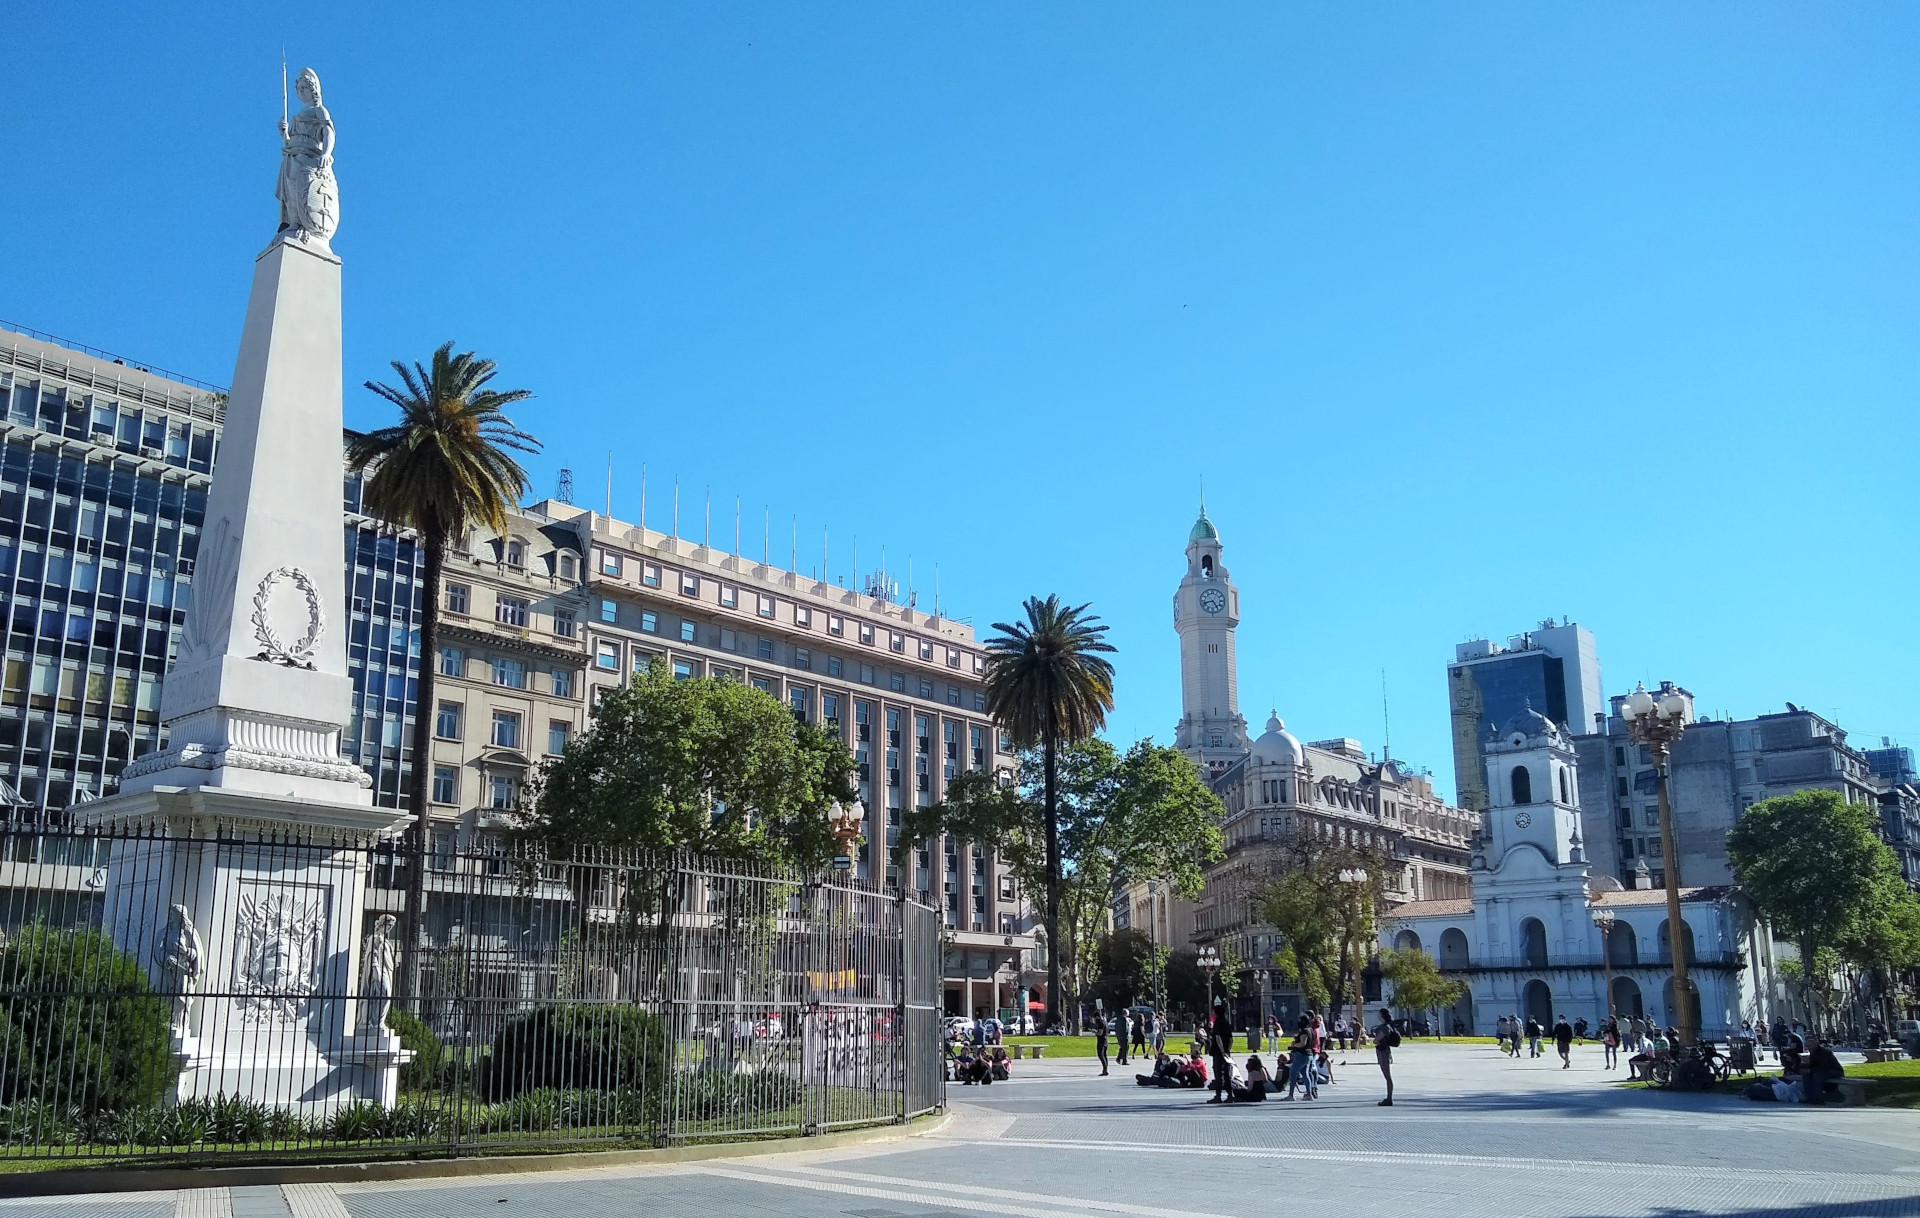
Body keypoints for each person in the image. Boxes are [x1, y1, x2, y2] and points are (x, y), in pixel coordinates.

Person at [1206, 1002, 1234, 1104]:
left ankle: (1218, 1096)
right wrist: (1227, 1050)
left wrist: (1222, 1050)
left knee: (1218, 1074)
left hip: (1218, 1052)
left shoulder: (1218, 1022)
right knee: (1227, 1074)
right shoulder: (1227, 1023)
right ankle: (1230, 1095)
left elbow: (1218, 1038)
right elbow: (1231, 1039)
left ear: (1216, 1013)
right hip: (1227, 1052)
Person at [1802, 1039, 1844, 1104]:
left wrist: (1811, 1070)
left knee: (1818, 1076)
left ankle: (1817, 1098)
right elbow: (1813, 1065)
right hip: (1822, 1070)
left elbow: (1824, 1067)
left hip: (1835, 1071)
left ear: (1815, 1045)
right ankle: (1808, 1097)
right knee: (1806, 1075)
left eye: (1809, 1046)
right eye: (1807, 1046)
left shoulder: (1823, 1052)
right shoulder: (1813, 1053)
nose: (1808, 1048)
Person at [1373, 1007, 1400, 1106]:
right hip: (1384, 1051)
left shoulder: (1385, 1027)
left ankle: (1389, 1098)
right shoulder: (1388, 1026)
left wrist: (1375, 1040)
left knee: (1387, 1076)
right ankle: (1389, 1097)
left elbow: (1377, 1039)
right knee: (1387, 1076)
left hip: (1383, 1052)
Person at [1094, 1012, 1110, 1076]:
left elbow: (1100, 1033)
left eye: (1095, 1018)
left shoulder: (1100, 1023)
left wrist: (1095, 1032)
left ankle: (1105, 1069)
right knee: (1105, 1055)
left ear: (1097, 1017)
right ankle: (1105, 1069)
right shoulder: (1105, 1022)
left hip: (1101, 1041)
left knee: (1100, 1055)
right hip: (1105, 1040)